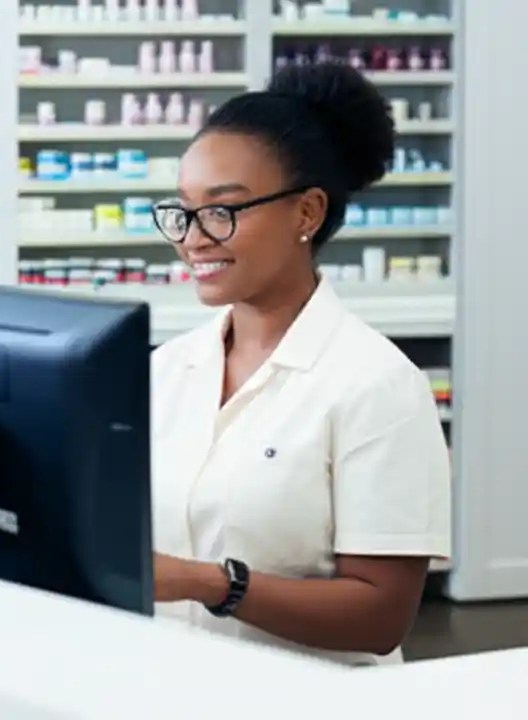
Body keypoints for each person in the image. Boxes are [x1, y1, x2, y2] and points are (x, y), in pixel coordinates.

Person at [146, 62, 451, 666]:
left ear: (307, 214)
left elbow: (380, 616)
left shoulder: (377, 386)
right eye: (183, 211)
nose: (193, 239)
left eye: (223, 210)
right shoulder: (168, 369)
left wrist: (208, 582)